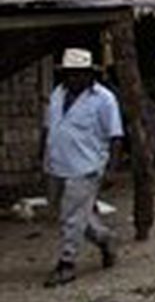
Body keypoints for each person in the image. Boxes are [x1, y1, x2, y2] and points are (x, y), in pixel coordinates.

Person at [40, 48, 123, 287]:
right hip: (56, 163)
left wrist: (112, 169)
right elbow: (49, 127)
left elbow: (115, 136)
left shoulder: (104, 99)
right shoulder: (57, 93)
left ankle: (67, 262)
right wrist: (41, 156)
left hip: (86, 166)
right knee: (69, 214)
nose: (73, 79)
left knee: (71, 216)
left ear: (89, 74)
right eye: (69, 74)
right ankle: (105, 238)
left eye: (78, 74)